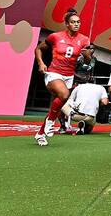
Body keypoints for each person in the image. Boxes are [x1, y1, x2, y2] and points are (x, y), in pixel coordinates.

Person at [34, 8, 91, 146]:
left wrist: (87, 56)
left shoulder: (84, 39)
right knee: (64, 95)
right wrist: (41, 63)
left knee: (57, 106)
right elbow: (38, 49)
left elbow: (87, 61)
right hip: (53, 73)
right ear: (67, 24)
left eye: (78, 22)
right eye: (73, 22)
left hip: (69, 76)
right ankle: (50, 122)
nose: (76, 24)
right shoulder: (55, 36)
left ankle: (40, 133)